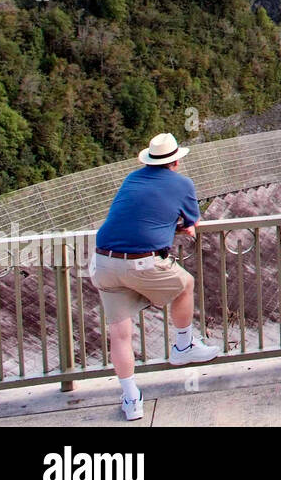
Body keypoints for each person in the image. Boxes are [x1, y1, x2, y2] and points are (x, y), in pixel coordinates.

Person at [91, 132, 221, 421]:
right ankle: (183, 346)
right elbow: (191, 224)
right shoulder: (182, 183)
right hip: (140, 263)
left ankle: (131, 399)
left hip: (104, 260)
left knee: (120, 334)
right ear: (175, 161)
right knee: (185, 283)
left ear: (149, 160)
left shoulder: (131, 179)